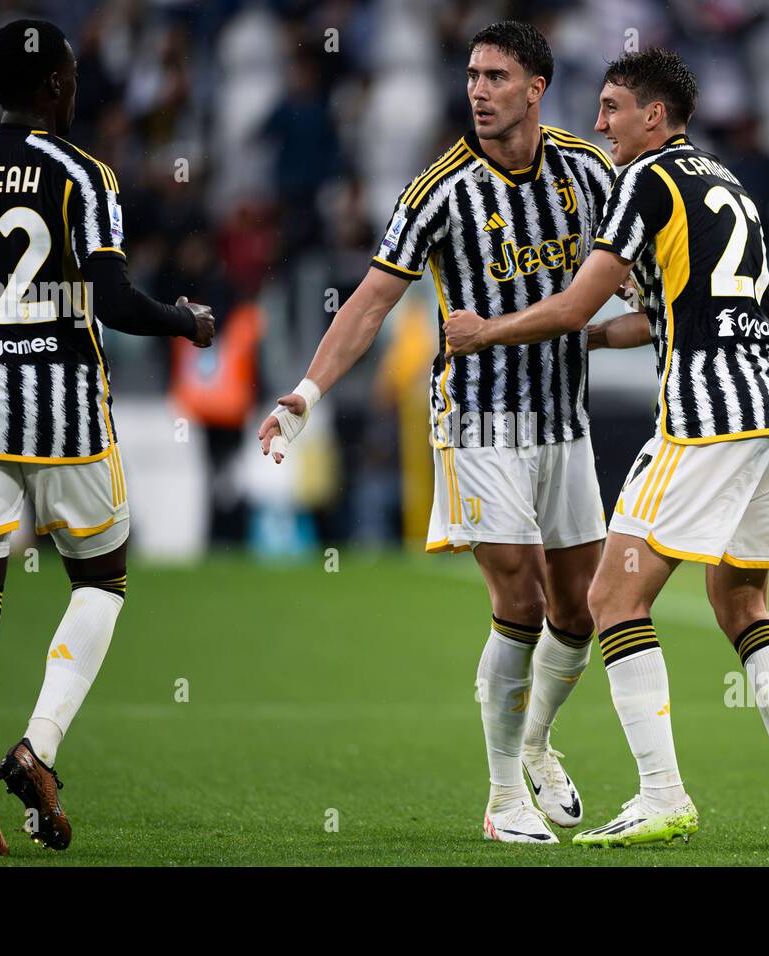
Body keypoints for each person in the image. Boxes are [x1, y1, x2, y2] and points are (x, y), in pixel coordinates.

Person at [444, 48, 769, 849]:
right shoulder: (729, 189)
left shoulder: (643, 183)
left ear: (655, 115)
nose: (598, 123)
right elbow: (658, 316)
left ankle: (663, 796)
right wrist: (586, 339)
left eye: (614, 107)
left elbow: (579, 300)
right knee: (743, 605)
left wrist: (486, 331)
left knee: (611, 600)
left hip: (702, 419)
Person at [260, 21, 616, 844]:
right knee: (518, 596)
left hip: (564, 417)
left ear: (536, 89)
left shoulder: (586, 170)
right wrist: (307, 393)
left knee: (580, 608)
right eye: (471, 76)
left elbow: (631, 271)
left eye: (496, 77)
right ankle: (502, 800)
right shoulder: (437, 189)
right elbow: (371, 302)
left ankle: (535, 741)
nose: (479, 91)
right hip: (477, 418)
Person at [0, 18, 215, 855]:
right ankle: (38, 748)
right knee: (100, 581)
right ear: (58, 84)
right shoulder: (83, 173)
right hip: (65, 413)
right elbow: (115, 299)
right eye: (69, 74)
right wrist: (188, 322)